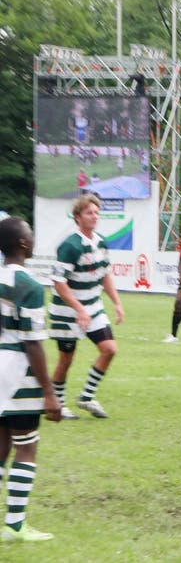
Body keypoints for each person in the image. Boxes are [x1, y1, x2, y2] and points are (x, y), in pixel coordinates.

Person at [0, 217, 62, 542]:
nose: (34, 237)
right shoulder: (29, 285)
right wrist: (49, 393)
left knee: (1, 445)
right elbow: (33, 342)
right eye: (30, 233)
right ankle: (14, 526)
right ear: (23, 243)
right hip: (16, 370)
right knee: (26, 445)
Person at [48, 194, 125, 420]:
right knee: (66, 360)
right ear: (78, 217)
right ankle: (58, 405)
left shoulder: (101, 242)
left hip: (94, 308)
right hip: (67, 312)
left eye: (96, 213)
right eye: (89, 213)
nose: (94, 216)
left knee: (109, 349)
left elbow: (105, 275)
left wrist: (117, 303)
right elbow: (59, 282)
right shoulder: (70, 246)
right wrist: (79, 309)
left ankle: (86, 397)